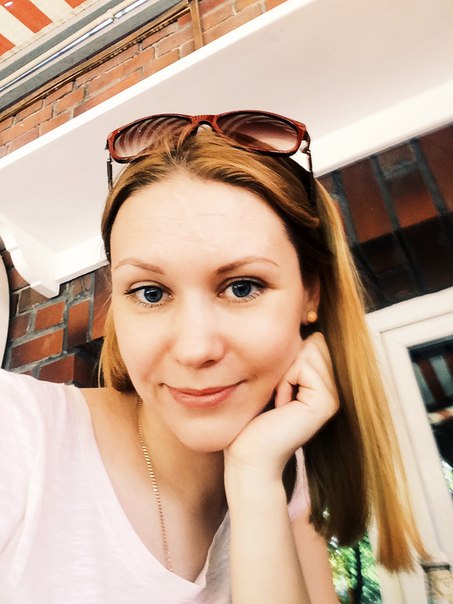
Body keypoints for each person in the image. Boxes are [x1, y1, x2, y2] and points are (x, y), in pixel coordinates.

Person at [0, 111, 427, 603]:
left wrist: (254, 477)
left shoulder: (286, 473)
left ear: (310, 293)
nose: (195, 349)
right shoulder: (19, 431)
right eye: (151, 293)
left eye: (242, 287)